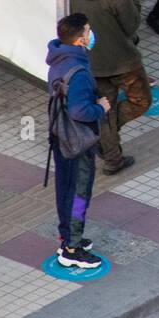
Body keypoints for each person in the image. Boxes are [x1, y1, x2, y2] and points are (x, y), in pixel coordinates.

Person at [70, 0, 151, 176]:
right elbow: (131, 25)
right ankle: (108, 134)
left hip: (91, 60)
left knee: (104, 108)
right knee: (141, 101)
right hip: (123, 62)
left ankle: (111, 155)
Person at [46, 14, 109, 269]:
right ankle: (72, 248)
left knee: (66, 187)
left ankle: (68, 236)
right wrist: (100, 108)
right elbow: (80, 111)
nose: (91, 34)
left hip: (60, 135)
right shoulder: (79, 71)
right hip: (78, 140)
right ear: (80, 38)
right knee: (79, 192)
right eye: (88, 30)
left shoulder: (59, 59)